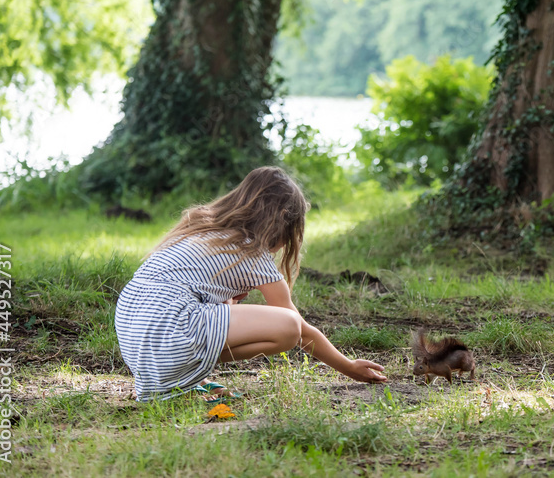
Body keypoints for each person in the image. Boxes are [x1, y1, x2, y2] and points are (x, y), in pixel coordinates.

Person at [115, 166, 386, 402]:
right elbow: (300, 329)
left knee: (230, 310)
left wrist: (226, 300)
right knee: (288, 327)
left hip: (133, 328)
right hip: (168, 329)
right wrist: (348, 367)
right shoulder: (250, 252)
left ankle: (185, 379)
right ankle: (183, 376)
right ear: (283, 220)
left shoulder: (200, 227)